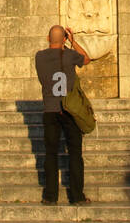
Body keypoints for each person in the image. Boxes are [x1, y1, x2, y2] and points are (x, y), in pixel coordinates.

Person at [34, 24, 89, 205]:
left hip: (50, 109)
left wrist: (61, 43)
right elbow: (86, 59)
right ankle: (77, 196)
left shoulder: (39, 57)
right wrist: (73, 41)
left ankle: (50, 197)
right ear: (64, 39)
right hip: (69, 110)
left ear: (48, 38)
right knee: (75, 154)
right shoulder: (70, 55)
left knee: (51, 154)